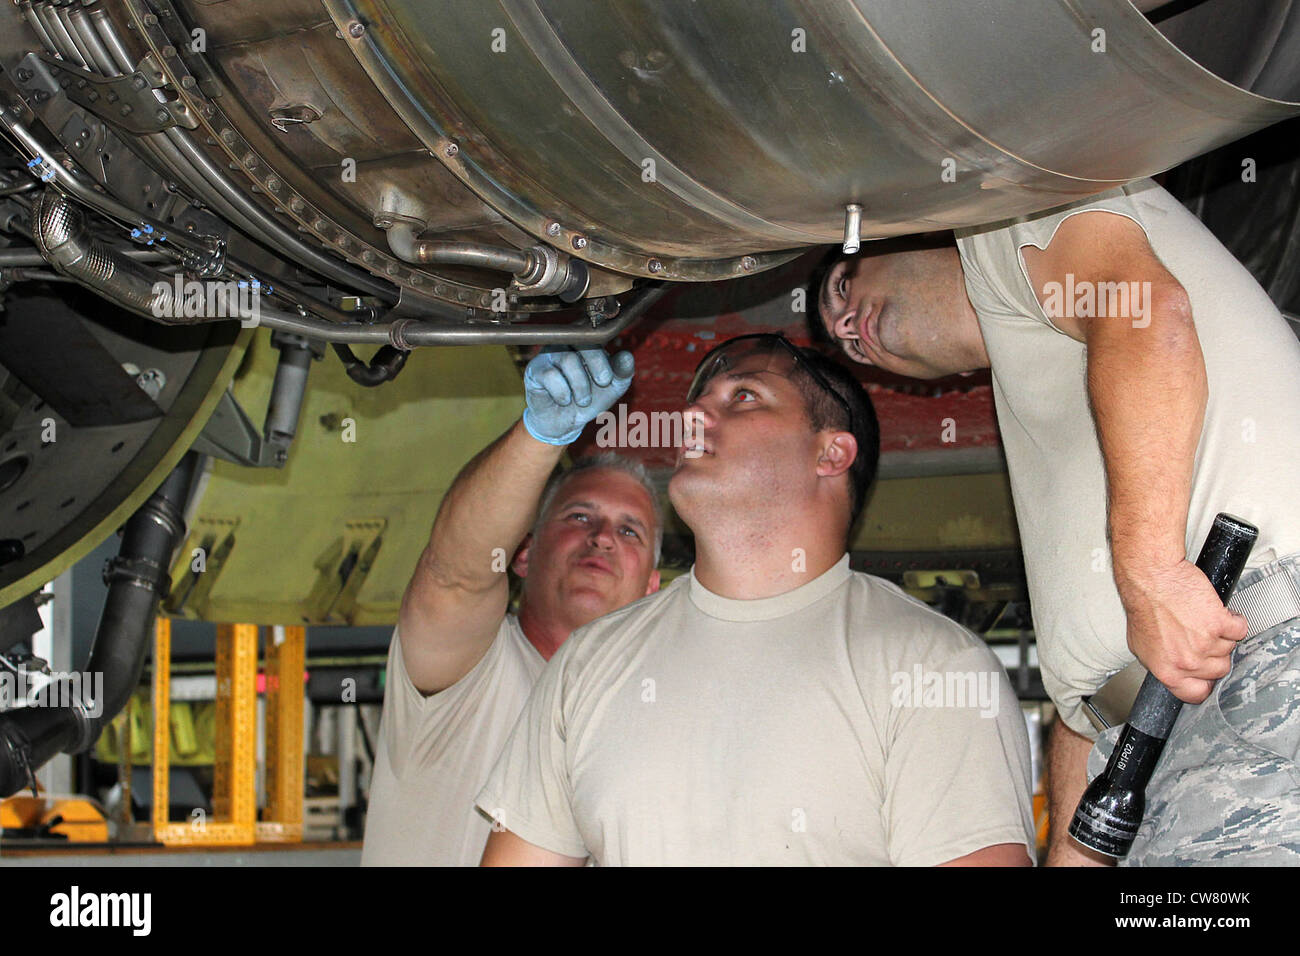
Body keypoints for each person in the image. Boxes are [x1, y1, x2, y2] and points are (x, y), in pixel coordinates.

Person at [816, 177, 1300, 866]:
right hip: (1167, 729)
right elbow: (1095, 701)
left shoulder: (1009, 213)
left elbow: (1142, 312)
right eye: (852, 349)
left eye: (840, 286)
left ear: (908, 233)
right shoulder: (1042, 384)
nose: (842, 326)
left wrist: (1154, 574)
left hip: (1258, 662)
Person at [475, 334, 1035, 866]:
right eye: (696, 401)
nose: (691, 416)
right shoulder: (587, 662)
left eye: (743, 396)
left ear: (831, 453)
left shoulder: (933, 668)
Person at [361, 346, 663, 866]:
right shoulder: (472, 673)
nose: (603, 539)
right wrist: (538, 437)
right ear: (522, 555)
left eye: (629, 530)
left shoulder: (646, 724)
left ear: (652, 591)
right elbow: (455, 575)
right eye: (579, 517)